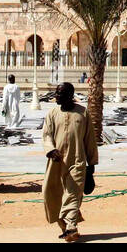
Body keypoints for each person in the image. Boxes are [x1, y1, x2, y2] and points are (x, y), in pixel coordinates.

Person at [42, 82, 97, 243]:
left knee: (72, 194)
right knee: (50, 193)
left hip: (77, 160)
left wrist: (91, 164)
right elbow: (46, 136)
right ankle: (64, 227)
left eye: (60, 93)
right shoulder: (52, 113)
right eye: (56, 93)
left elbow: (90, 139)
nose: (56, 96)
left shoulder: (82, 113)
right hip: (56, 162)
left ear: (69, 95)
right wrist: (51, 150)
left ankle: (71, 227)